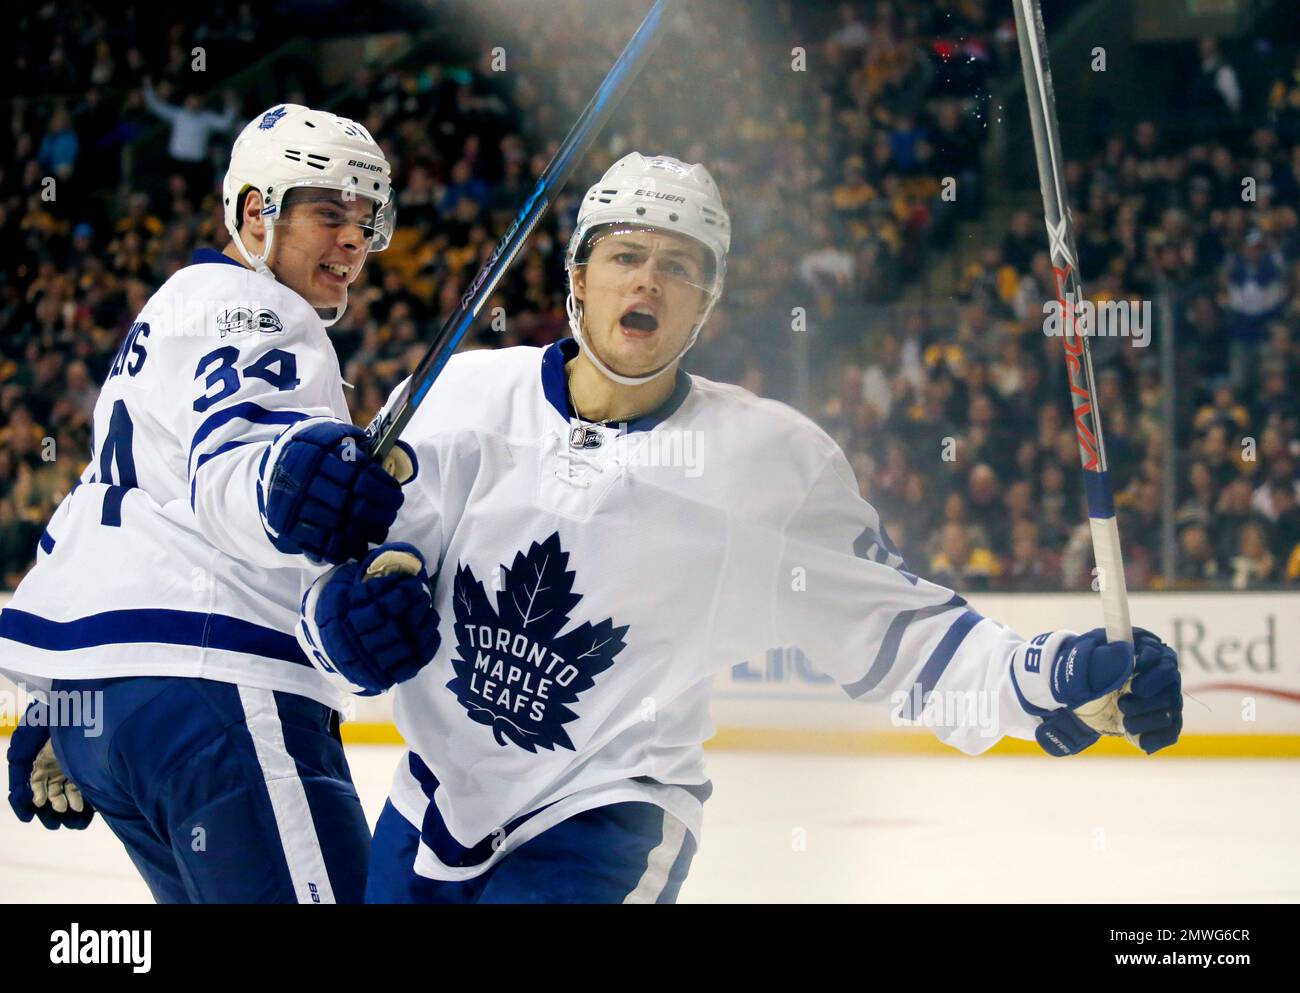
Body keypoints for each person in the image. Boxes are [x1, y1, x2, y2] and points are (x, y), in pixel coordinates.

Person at [300, 153, 1184, 904]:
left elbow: (905, 639)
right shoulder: (461, 395)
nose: (648, 280)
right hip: (430, 795)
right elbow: (363, 567)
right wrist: (341, 617)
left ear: (705, 304)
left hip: (606, 811)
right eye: (626, 255)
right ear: (577, 279)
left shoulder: (768, 465)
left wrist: (1053, 675)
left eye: (680, 267)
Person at [2, 104, 438, 903]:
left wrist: (62, 698)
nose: (353, 238)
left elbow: (108, 504)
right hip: (216, 690)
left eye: (366, 219)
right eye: (329, 212)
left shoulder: (170, 314)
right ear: (254, 212)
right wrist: (289, 483)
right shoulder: (262, 308)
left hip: (108, 710)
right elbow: (237, 464)